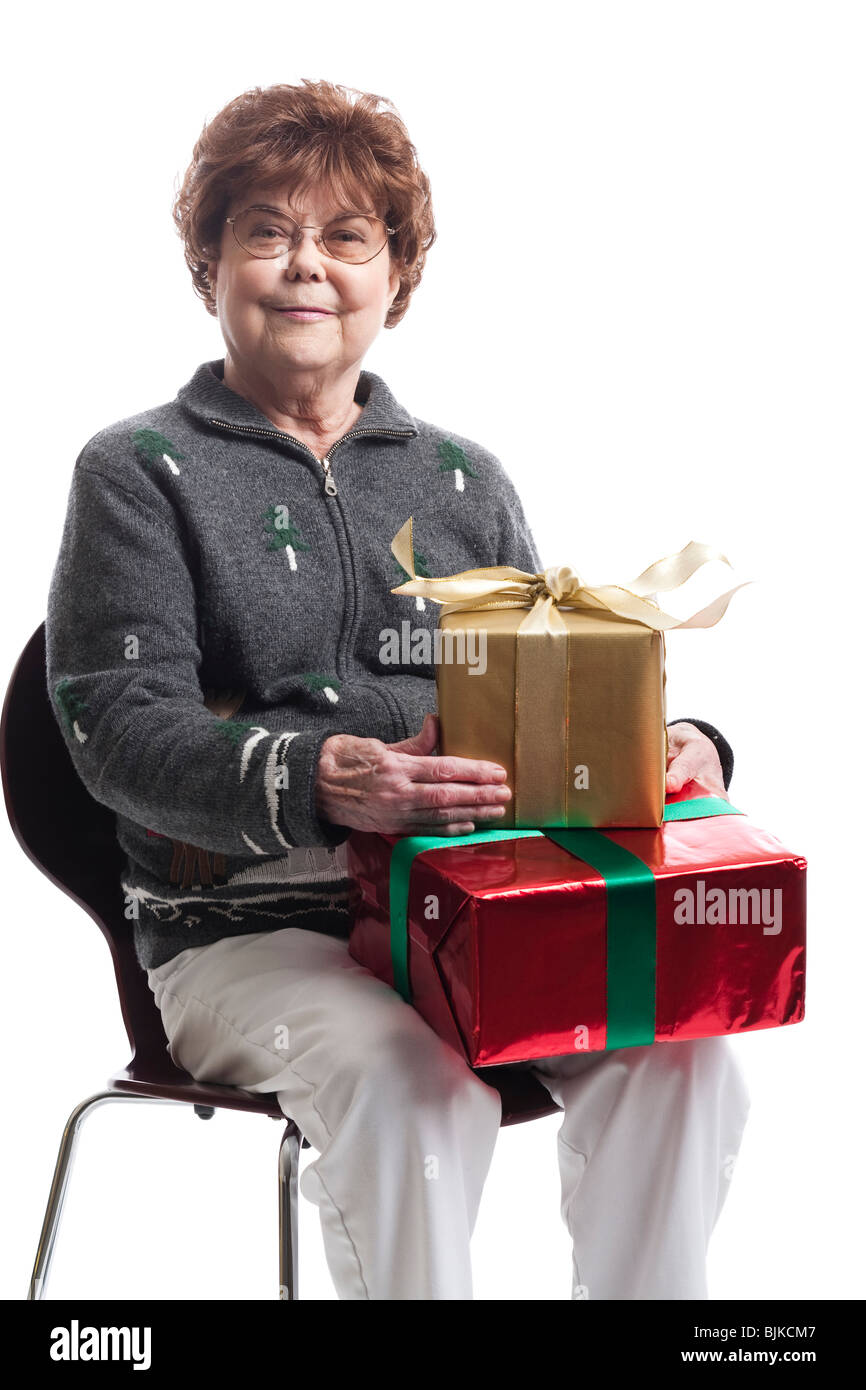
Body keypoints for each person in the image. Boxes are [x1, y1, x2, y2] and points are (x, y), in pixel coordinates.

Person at [46, 78, 750, 1300]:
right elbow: (117, 730)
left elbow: (537, 697)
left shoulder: (466, 478)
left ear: (395, 274)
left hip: (475, 914)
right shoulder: (136, 471)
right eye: (264, 231)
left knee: (683, 1058)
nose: (303, 266)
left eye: (344, 237)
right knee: (411, 1085)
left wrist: (663, 745)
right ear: (209, 263)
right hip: (242, 936)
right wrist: (319, 779)